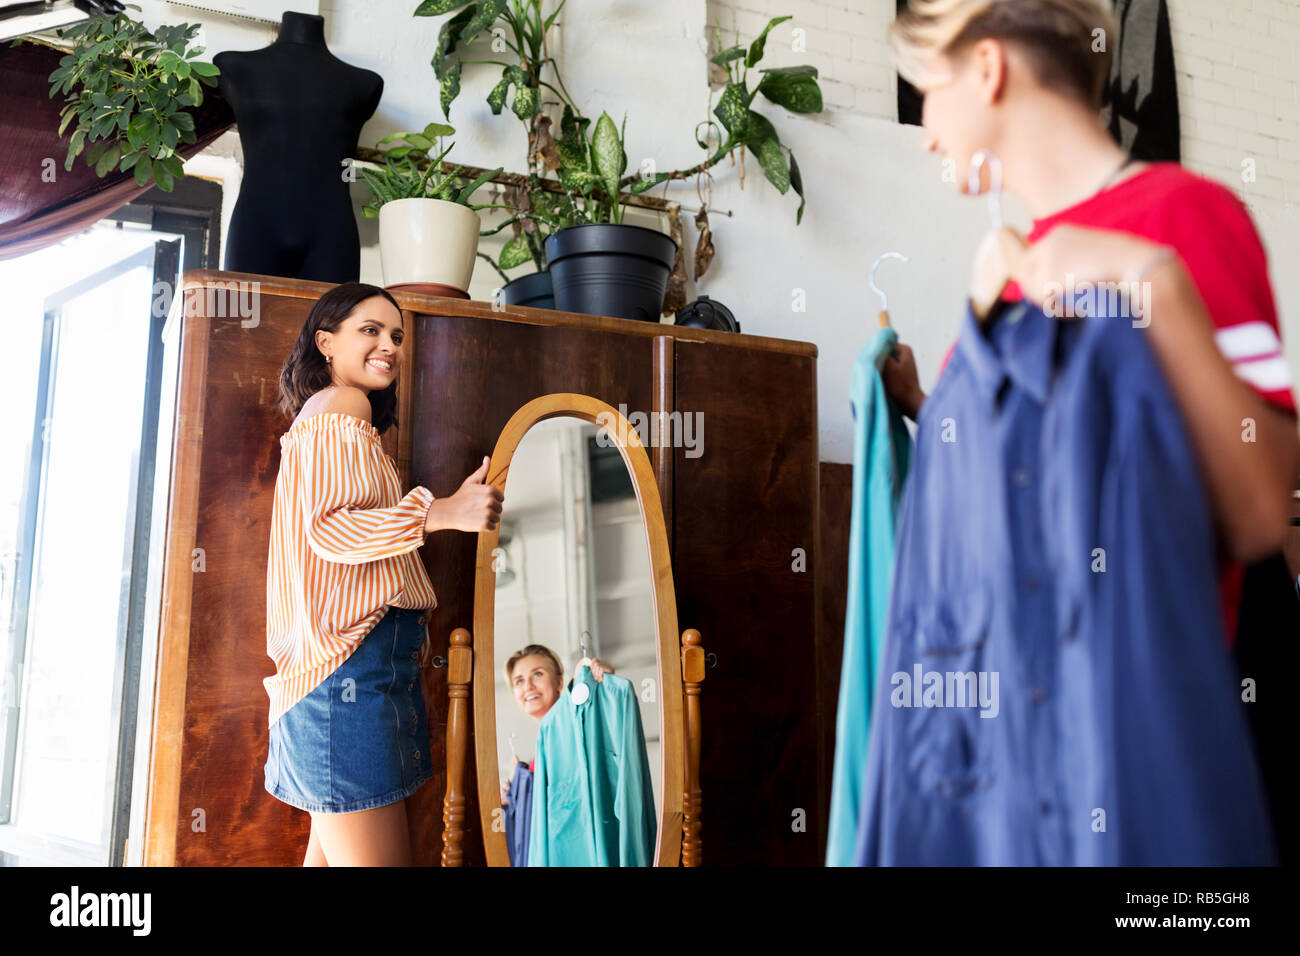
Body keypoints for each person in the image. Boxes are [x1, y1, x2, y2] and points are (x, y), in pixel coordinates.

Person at [881, 0, 1299, 639]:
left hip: (1134, 701)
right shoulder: (1017, 268)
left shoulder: (1185, 217)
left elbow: (1264, 510)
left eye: (929, 90)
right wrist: (918, 402)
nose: (930, 132)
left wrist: (1149, 279)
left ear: (989, 69)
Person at [262, 281, 504, 866]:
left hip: (346, 676)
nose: (389, 345)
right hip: (344, 677)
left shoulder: (342, 422)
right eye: (369, 330)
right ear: (326, 342)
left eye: (395, 335)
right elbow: (330, 530)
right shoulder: (341, 408)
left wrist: (447, 507)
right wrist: (444, 511)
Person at [499, 644, 613, 805]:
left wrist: (602, 680)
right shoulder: (537, 757)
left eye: (538, 674)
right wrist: (510, 798)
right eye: (519, 681)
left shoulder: (578, 724)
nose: (528, 687)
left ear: (559, 682)